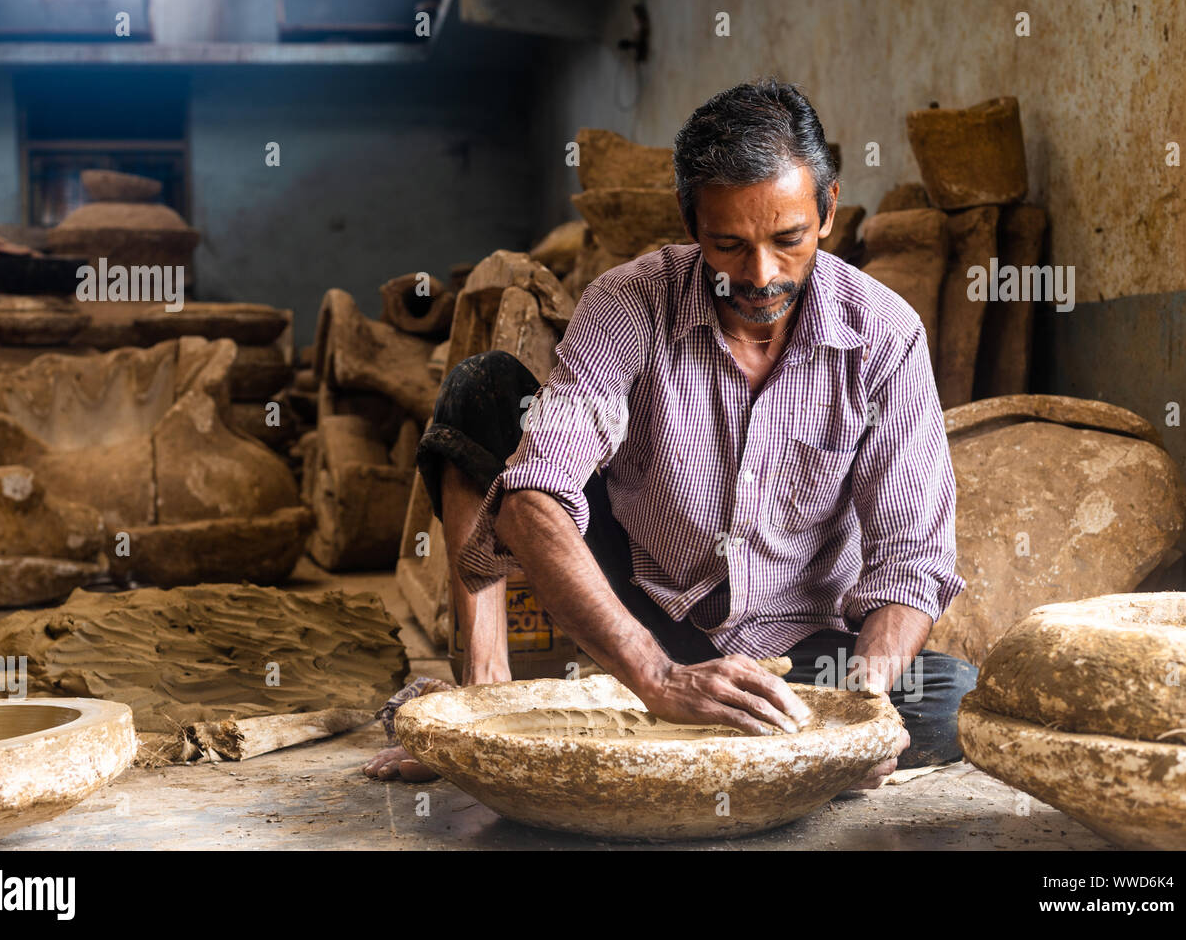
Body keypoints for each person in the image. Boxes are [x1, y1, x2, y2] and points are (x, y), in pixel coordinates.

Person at [365, 77, 977, 787]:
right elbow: (536, 494)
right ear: (691, 222)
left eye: (789, 240)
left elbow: (911, 559)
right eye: (728, 244)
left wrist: (859, 713)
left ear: (829, 208)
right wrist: (657, 675)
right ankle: (486, 699)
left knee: (947, 699)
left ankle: (708, 728)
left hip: (799, 647)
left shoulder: (887, 335)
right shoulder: (629, 302)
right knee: (486, 389)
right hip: (645, 609)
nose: (761, 275)